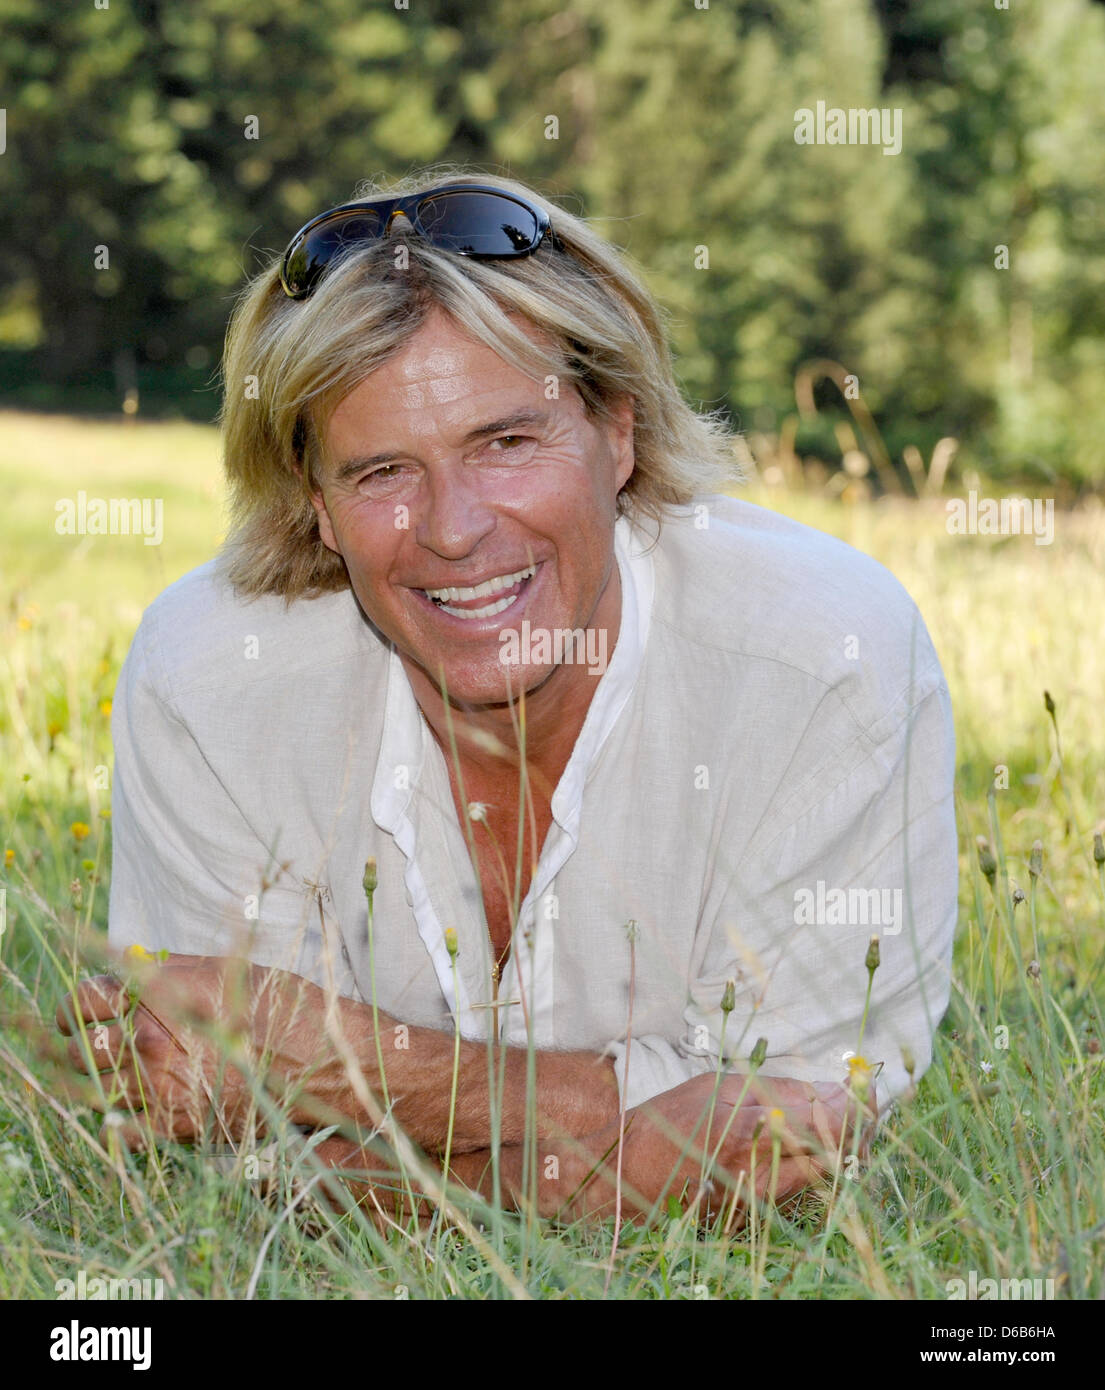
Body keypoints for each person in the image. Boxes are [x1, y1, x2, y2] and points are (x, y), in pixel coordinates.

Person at [56, 168, 958, 1227]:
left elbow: (793, 1131)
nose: (451, 527)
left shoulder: (823, 662)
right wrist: (635, 1136)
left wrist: (349, 1069)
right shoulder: (209, 681)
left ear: (616, 430)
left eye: (506, 442)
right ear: (316, 505)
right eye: (381, 471)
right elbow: (221, 1127)